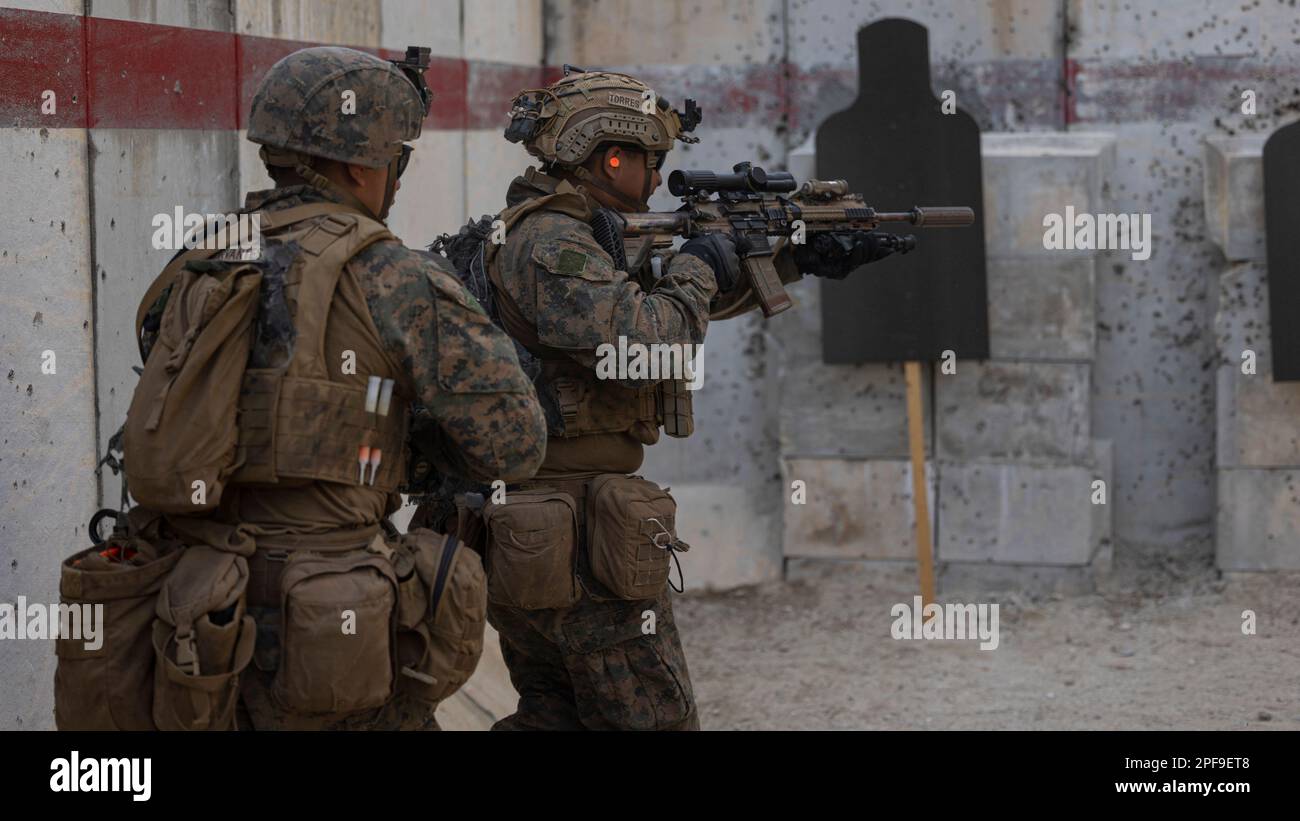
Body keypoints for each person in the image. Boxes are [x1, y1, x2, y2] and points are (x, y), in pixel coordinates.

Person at [419, 68, 898, 730]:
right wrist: (701, 262)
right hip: (572, 531)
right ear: (606, 154)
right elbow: (647, 338)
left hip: (542, 526)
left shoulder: (571, 230)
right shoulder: (555, 242)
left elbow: (652, 307)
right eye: (649, 158)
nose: (655, 173)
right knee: (652, 714)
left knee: (557, 712)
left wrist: (796, 258)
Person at [133, 46, 547, 730]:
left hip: (196, 611)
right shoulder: (392, 274)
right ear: (362, 163)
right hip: (330, 624)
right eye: (396, 156)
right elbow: (515, 444)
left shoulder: (201, 257)